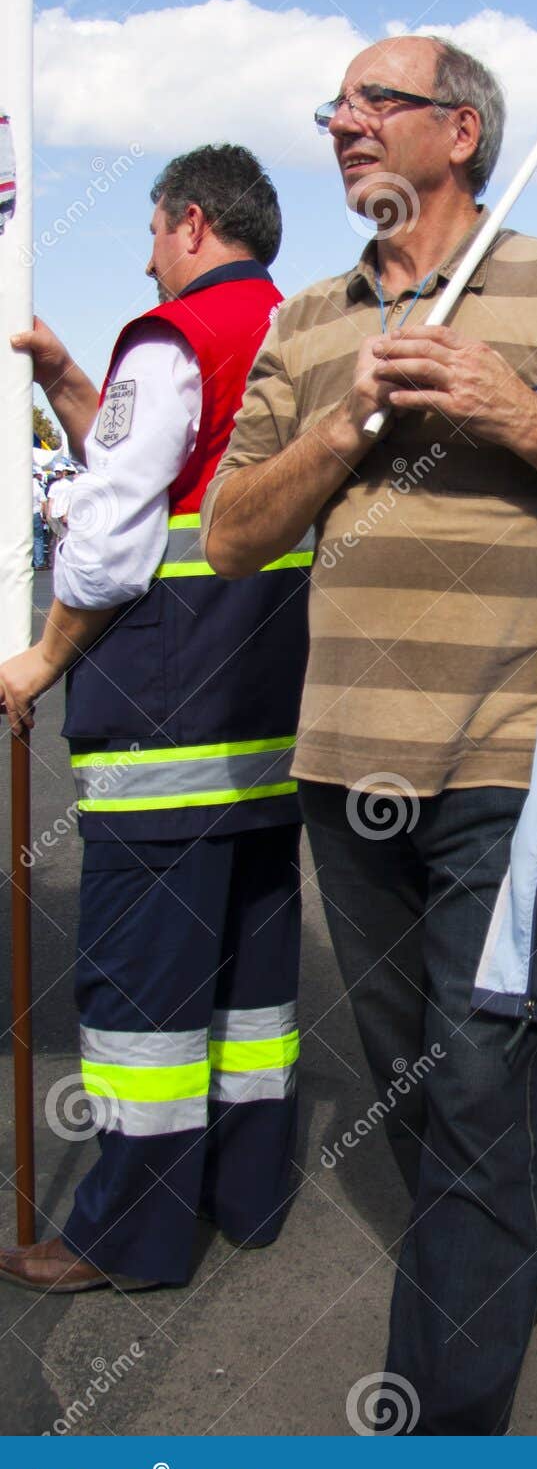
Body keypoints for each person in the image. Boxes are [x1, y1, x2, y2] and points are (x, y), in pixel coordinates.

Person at [200, 34, 537, 1436]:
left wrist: (520, 415)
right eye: (336, 106)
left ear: (463, 130)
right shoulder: (308, 320)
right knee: (416, 1081)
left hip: (513, 757)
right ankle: (495, 1262)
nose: (344, 122)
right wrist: (345, 426)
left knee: (478, 1074)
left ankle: (440, 1429)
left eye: (378, 101)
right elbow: (232, 535)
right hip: (341, 762)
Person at [0, 145, 309, 1295]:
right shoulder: (294, 330)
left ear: (189, 221)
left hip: (166, 722)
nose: (144, 260)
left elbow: (116, 526)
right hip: (271, 726)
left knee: (143, 1003)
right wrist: (71, 381)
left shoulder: (176, 336)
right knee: (252, 986)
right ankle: (246, 1194)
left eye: (150, 234)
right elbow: (178, 474)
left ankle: (127, 1234)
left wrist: (44, 655)